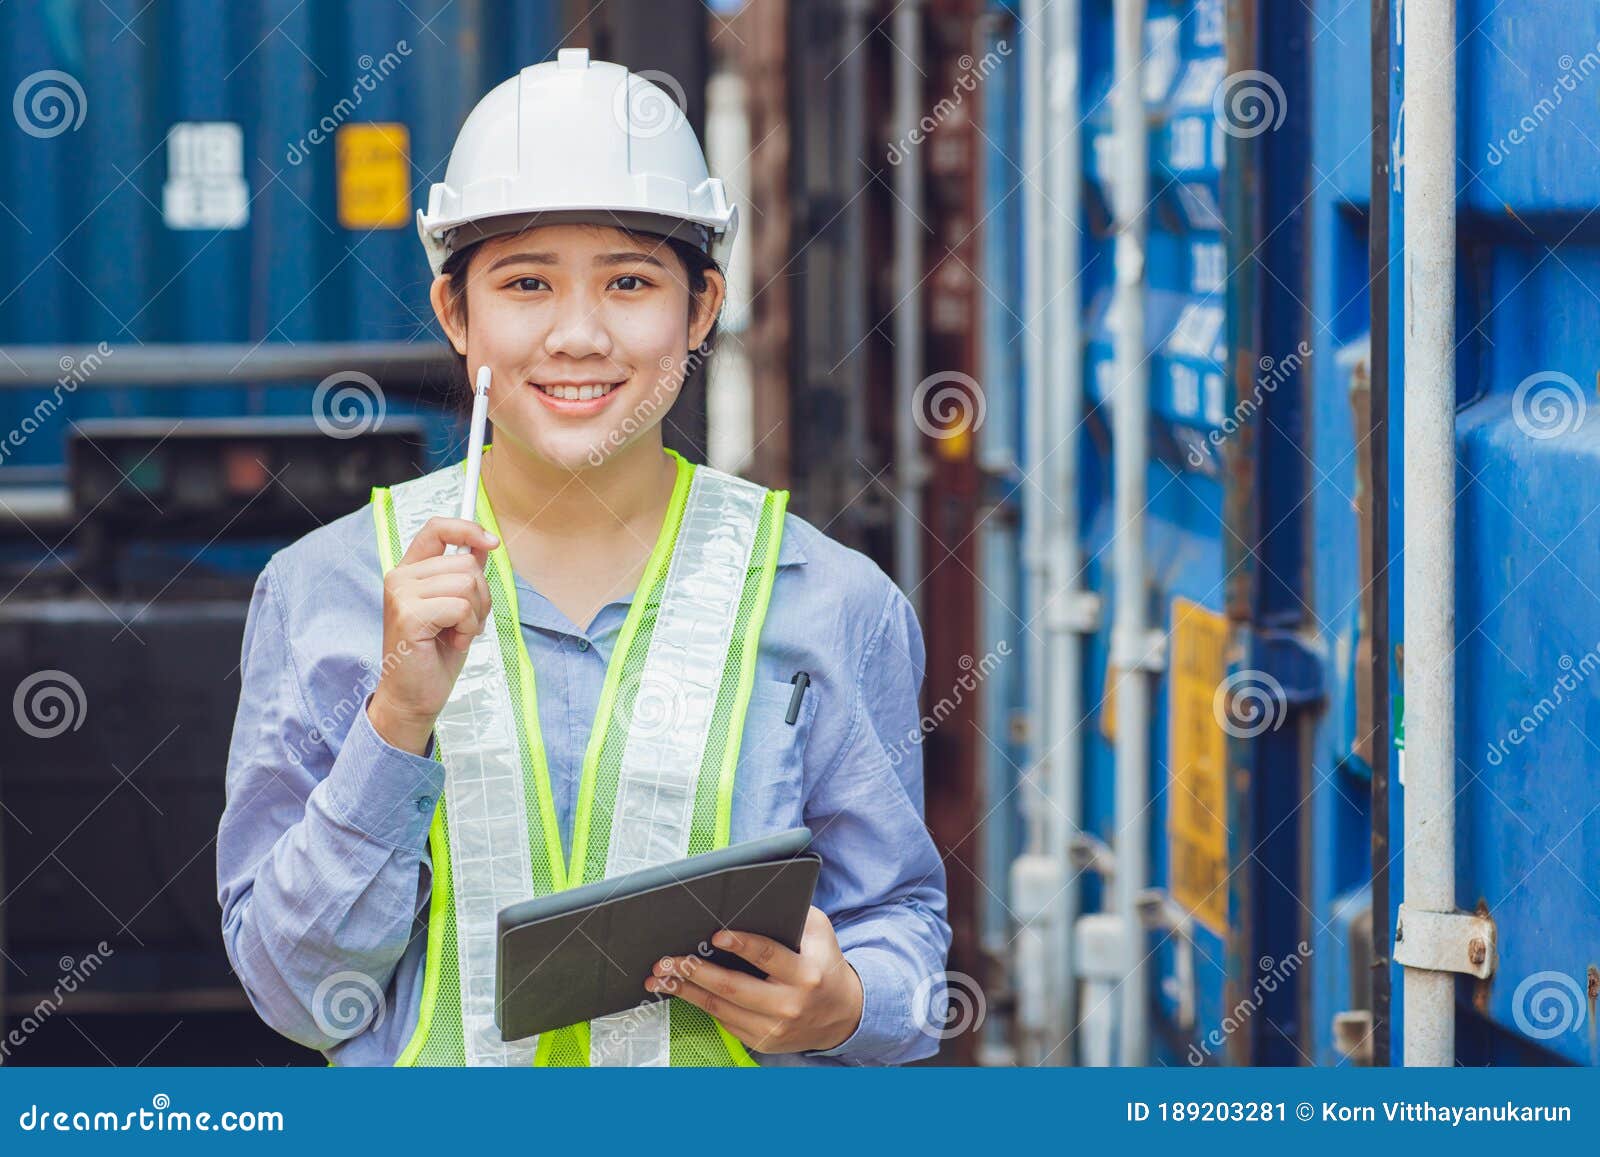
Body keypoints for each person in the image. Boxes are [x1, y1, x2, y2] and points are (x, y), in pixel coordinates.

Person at [216, 49, 950, 1067]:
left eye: (629, 280)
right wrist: (396, 720)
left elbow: (905, 934)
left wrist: (846, 1002)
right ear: (455, 314)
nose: (576, 333)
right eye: (524, 283)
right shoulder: (326, 590)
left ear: (699, 310)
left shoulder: (831, 599)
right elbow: (295, 993)